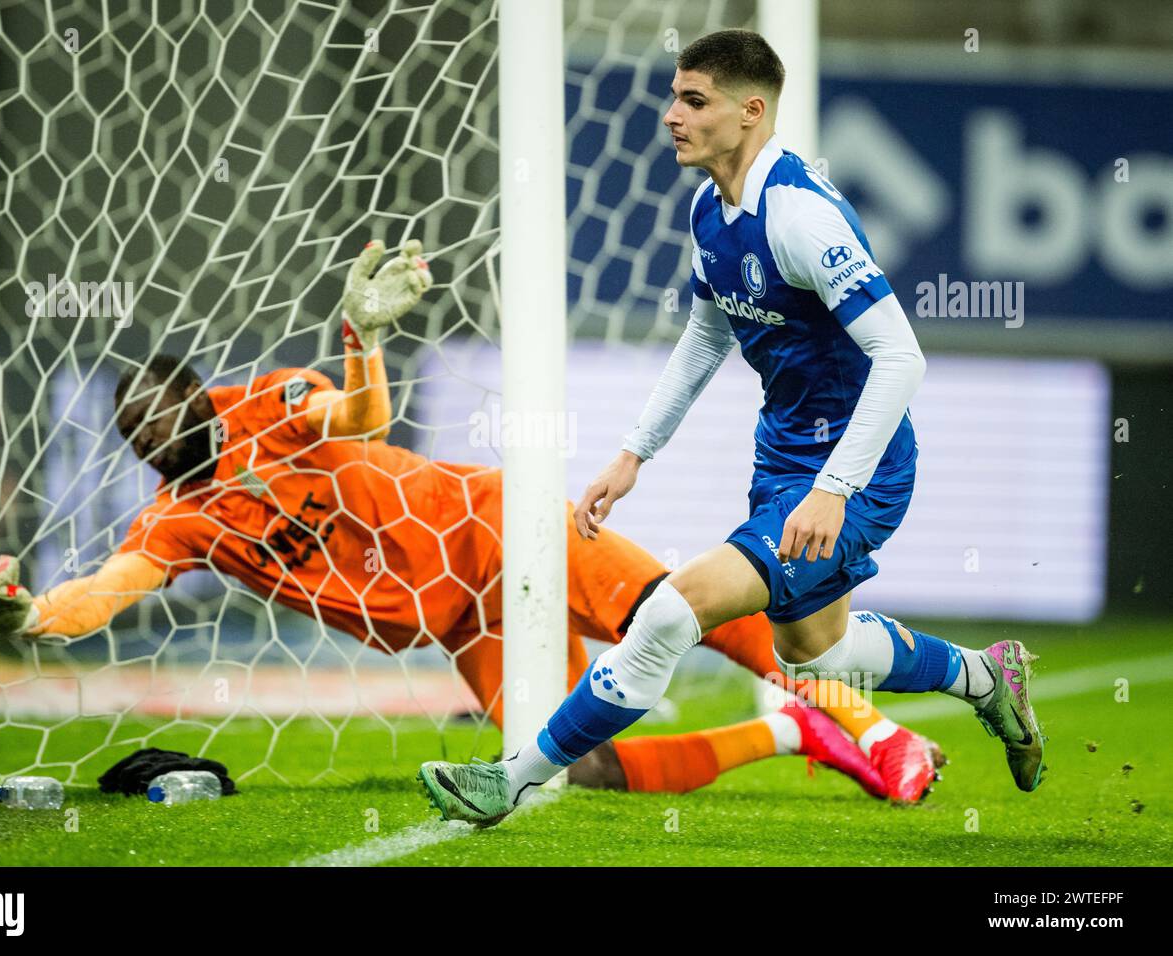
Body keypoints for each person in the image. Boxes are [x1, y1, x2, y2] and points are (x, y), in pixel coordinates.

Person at [0, 239, 941, 801]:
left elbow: (360, 418)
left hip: (498, 527)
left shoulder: (264, 405)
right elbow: (106, 590)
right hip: (466, 618)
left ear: (198, 399)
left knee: (682, 616)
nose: (149, 439)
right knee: (580, 768)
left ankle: (876, 728)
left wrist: (362, 338)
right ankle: (790, 739)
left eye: (161, 416)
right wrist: (26, 617)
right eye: (134, 432)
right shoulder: (180, 522)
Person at [417, 29, 1043, 828]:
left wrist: (833, 490)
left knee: (673, 612)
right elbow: (708, 336)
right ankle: (985, 678)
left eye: (693, 99)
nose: (671, 114)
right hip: (785, 456)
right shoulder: (710, 213)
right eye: (675, 95)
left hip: (859, 469)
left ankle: (512, 780)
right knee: (818, 654)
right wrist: (634, 452)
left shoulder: (802, 219)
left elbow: (901, 357)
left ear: (750, 112)